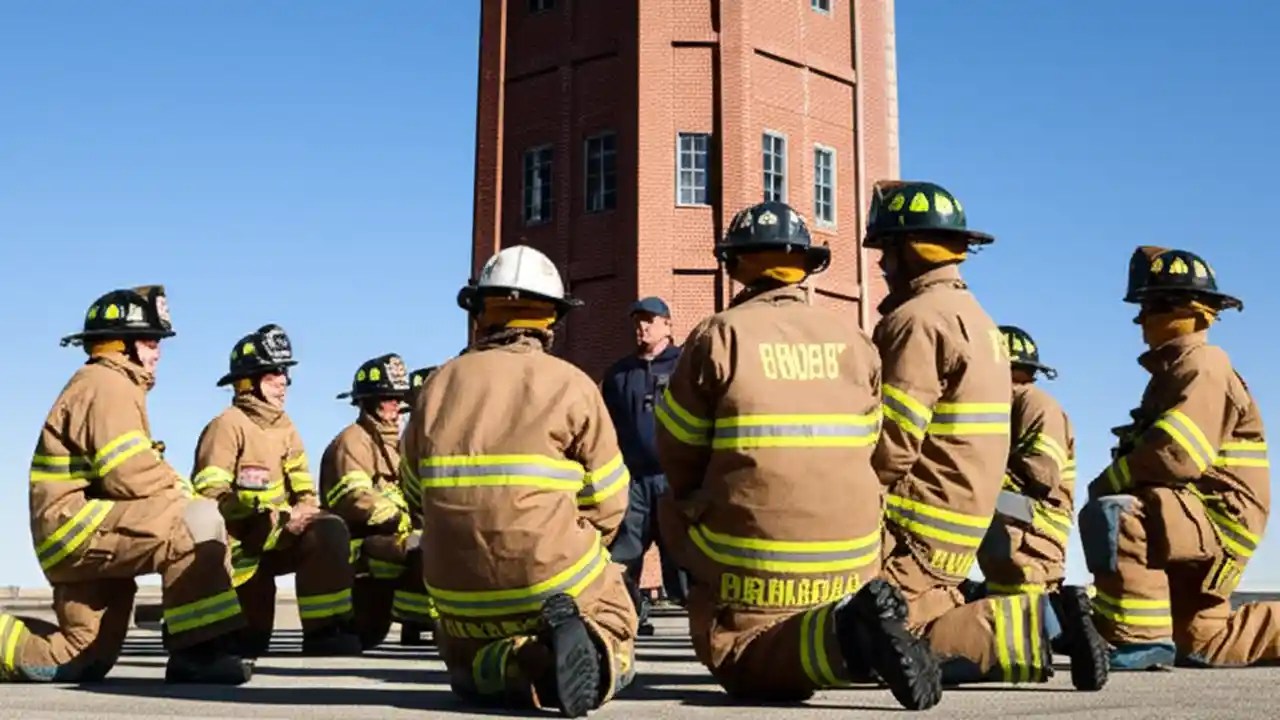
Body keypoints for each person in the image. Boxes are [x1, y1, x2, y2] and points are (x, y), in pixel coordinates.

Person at [655, 200, 942, 710]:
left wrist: (700, 506)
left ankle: (847, 638)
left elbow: (678, 457)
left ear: (735, 263)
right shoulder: (855, 340)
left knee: (737, 655)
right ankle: (849, 620)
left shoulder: (718, 335)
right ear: (807, 265)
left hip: (757, 565)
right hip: (854, 558)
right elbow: (879, 442)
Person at [864, 180, 1107, 690]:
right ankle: (1044, 618)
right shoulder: (980, 323)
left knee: (867, 637)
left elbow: (891, 444)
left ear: (908, 250)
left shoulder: (915, 321)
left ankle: (1041, 624)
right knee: (924, 612)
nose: (882, 266)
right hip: (964, 524)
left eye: (886, 250)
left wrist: (843, 498)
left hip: (914, 524)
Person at [403, 245, 637, 717]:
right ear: (551, 318)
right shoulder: (572, 384)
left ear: (480, 313)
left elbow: (414, 493)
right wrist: (575, 545)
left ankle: (515, 663)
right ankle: (593, 648)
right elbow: (611, 501)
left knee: (467, 673)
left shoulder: (436, 387)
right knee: (614, 612)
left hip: (457, 596)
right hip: (550, 579)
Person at [0, 286, 251, 684]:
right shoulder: (107, 384)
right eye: (151, 341)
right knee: (196, 521)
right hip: (79, 530)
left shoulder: (106, 384)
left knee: (80, 656)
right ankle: (199, 651)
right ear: (122, 345)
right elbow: (130, 473)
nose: (158, 352)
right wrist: (191, 497)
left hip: (78, 532)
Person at [1082, 246, 1277, 670]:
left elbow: (1176, 455)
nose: (1141, 321)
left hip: (1218, 518)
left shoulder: (1202, 365)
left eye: (1150, 307)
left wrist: (1109, 480)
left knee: (1116, 511)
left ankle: (1137, 640)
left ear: (1182, 310)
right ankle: (1157, 635)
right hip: (1207, 518)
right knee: (1203, 642)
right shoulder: (1176, 372)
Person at [191, 323, 361, 657]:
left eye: (284, 373)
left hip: (280, 535)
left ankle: (324, 630)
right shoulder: (226, 426)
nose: (283, 382)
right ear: (247, 383)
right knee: (249, 643)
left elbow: (303, 489)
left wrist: (305, 510)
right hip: (242, 547)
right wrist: (266, 513)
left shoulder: (287, 428)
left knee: (329, 531)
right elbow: (210, 495)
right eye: (272, 375)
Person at [974, 325, 1078, 653]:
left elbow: (1042, 474)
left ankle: (1059, 629)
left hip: (1035, 521)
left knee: (1025, 586)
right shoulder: (1007, 406)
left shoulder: (1035, 404)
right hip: (1022, 519)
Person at [321, 353, 433, 649]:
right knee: (422, 547)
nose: (396, 405)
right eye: (388, 398)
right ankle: (416, 620)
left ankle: (418, 623)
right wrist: (401, 519)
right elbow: (354, 499)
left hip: (392, 536)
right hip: (360, 545)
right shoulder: (353, 441)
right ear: (369, 401)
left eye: (398, 399)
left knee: (435, 543)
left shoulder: (397, 444)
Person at [600, 295, 689, 634]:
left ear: (668, 325)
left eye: (650, 320)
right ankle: (626, 616)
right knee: (624, 551)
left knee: (680, 552)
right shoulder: (619, 374)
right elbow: (605, 428)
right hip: (632, 482)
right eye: (638, 321)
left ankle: (695, 618)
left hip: (674, 479)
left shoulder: (685, 366)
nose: (642, 326)